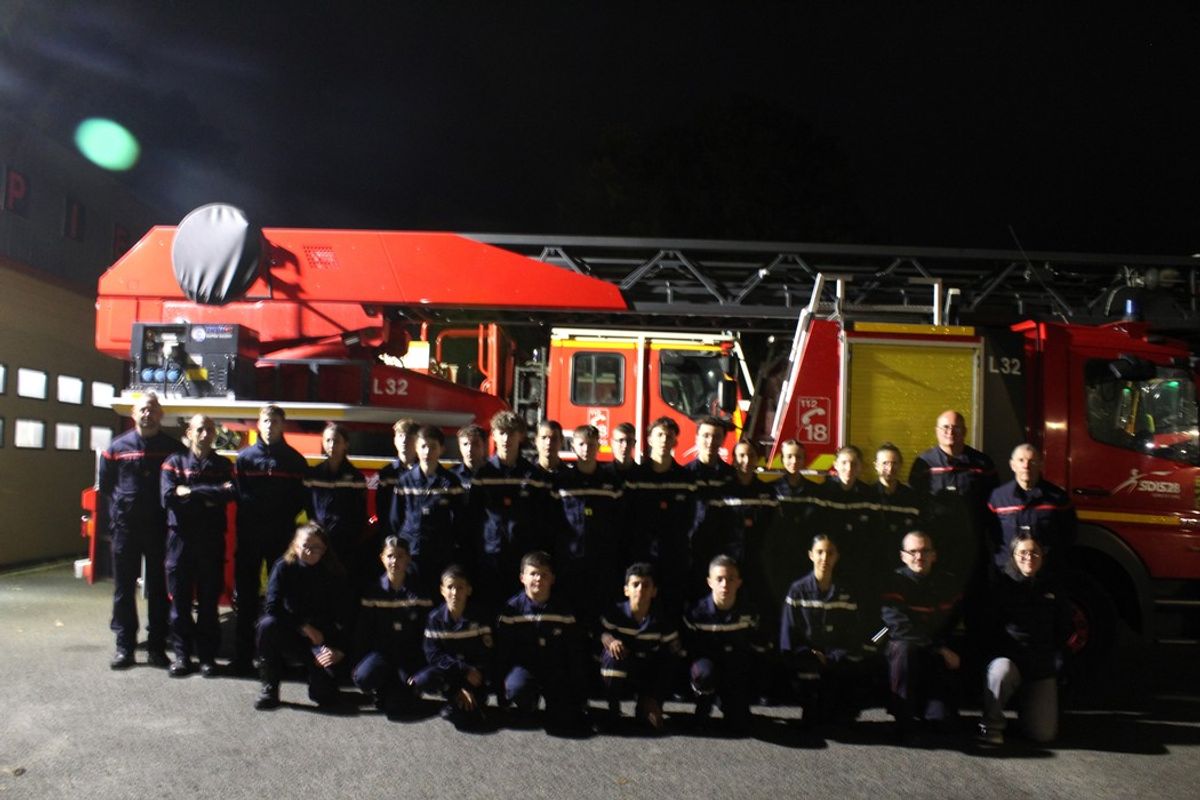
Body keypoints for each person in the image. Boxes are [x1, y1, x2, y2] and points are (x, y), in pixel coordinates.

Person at [99, 392, 185, 670]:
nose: (148, 414)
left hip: (160, 529)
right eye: (143, 410)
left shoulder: (172, 449)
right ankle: (124, 647)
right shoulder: (117, 447)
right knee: (123, 589)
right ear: (133, 414)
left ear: (161, 414)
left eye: (152, 410)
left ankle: (157, 648)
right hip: (126, 529)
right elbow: (107, 486)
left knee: (159, 589)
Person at [233, 404, 309, 673]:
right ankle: (242, 657)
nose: (269, 426)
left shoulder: (295, 461)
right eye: (265, 421)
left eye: (275, 421)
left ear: (282, 425)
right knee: (246, 597)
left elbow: (301, 499)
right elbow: (240, 496)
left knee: (281, 597)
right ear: (258, 424)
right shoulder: (244, 459)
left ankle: (277, 657)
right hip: (250, 536)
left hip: (280, 537)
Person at [160, 414, 237, 677]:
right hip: (180, 541)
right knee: (180, 603)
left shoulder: (223, 465)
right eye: (200, 429)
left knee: (208, 603)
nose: (206, 434)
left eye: (210, 429)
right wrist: (209, 496)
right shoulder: (173, 463)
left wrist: (190, 492)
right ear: (189, 432)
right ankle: (182, 657)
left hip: (210, 541)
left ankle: (207, 658)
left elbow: (229, 493)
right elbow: (168, 498)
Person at [978, 534, 1073, 745]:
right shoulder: (1001, 585)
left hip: (1040, 666)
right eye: (1022, 553)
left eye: (1034, 553)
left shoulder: (1052, 586)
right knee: (1000, 671)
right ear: (1013, 556)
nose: (1029, 557)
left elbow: (1064, 626)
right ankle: (991, 725)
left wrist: (1055, 656)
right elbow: (986, 628)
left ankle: (1027, 710)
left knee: (1043, 735)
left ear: (1042, 556)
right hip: (1009, 661)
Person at [255, 523, 351, 710]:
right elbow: (272, 607)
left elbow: (345, 616)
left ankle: (326, 685)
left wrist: (338, 649)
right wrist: (303, 626)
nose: (310, 551)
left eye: (316, 547)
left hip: (322, 639)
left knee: (324, 696)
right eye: (305, 545)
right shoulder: (283, 566)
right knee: (267, 625)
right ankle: (269, 688)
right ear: (294, 545)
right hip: (293, 632)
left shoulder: (334, 572)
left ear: (324, 550)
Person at [881, 530, 964, 742]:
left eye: (925, 551)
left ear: (934, 555)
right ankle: (903, 716)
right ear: (903, 556)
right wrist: (938, 648)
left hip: (936, 651)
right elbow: (899, 627)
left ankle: (935, 712)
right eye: (913, 551)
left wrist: (945, 648)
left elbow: (954, 622)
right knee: (903, 647)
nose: (919, 556)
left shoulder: (948, 583)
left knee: (944, 724)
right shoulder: (894, 582)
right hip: (906, 650)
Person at [779, 534, 871, 726]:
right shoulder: (797, 590)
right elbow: (789, 633)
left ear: (837, 557)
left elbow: (852, 633)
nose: (825, 558)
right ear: (811, 555)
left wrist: (833, 655)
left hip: (835, 656)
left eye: (830, 553)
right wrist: (810, 653)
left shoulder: (845, 592)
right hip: (807, 656)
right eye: (820, 552)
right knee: (813, 718)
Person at [494, 551, 588, 731]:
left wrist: (579, 691)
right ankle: (528, 703)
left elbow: (574, 652)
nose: (538, 579)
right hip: (524, 667)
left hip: (554, 667)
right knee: (516, 688)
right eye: (533, 574)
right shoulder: (511, 610)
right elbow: (503, 653)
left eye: (544, 574)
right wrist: (501, 693)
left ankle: (558, 704)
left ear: (552, 579)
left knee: (564, 714)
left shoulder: (563, 609)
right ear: (522, 578)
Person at [468, 411, 549, 608]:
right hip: (490, 556)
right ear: (494, 436)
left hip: (523, 557)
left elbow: (542, 517)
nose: (506, 439)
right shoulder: (483, 474)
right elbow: (473, 516)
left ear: (520, 436)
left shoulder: (532, 475)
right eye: (501, 433)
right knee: (490, 607)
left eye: (511, 433)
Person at [908, 410, 997, 590]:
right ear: (937, 431)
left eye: (956, 428)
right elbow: (914, 503)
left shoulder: (982, 463)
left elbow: (994, 504)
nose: (950, 432)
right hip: (936, 547)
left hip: (973, 547)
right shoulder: (923, 463)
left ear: (965, 431)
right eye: (945, 427)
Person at [683, 555, 767, 733]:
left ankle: (729, 703)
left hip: (734, 667)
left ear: (739, 582)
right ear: (709, 582)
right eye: (719, 579)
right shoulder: (696, 613)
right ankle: (703, 705)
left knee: (740, 723)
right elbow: (688, 648)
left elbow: (757, 645)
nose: (725, 585)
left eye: (730, 579)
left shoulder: (748, 612)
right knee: (704, 674)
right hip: (707, 666)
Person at [623, 416, 696, 615]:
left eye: (669, 436)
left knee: (672, 604)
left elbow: (692, 517)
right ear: (649, 439)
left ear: (675, 441)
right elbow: (627, 516)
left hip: (674, 556)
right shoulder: (636, 477)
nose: (664, 440)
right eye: (660, 435)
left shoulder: (685, 479)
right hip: (642, 555)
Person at [351, 537, 433, 715]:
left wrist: (423, 666)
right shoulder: (373, 591)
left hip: (408, 654)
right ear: (382, 558)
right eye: (390, 556)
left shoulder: (419, 592)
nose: (394, 561)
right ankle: (383, 687)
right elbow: (363, 631)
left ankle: (401, 690)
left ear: (408, 558)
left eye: (400, 556)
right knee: (363, 677)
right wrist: (359, 661)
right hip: (382, 652)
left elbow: (426, 632)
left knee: (399, 704)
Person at [554, 424, 624, 628]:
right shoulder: (562, 481)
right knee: (573, 614)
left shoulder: (612, 482)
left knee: (601, 612)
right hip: (570, 562)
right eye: (582, 444)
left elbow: (620, 520)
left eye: (591, 444)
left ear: (599, 446)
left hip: (602, 561)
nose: (586, 449)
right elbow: (553, 520)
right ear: (573, 447)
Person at [598, 563, 681, 731]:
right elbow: (601, 633)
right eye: (635, 584)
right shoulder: (615, 613)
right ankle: (613, 709)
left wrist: (654, 697)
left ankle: (645, 704)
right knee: (612, 657)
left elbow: (671, 657)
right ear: (626, 590)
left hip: (647, 673)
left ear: (654, 591)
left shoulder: (661, 620)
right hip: (622, 668)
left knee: (653, 724)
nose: (640, 589)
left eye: (646, 585)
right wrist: (610, 640)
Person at [411, 565, 494, 729]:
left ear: (469, 590)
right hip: (451, 671)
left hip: (474, 675)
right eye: (450, 587)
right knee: (422, 680)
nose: (455, 593)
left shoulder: (480, 617)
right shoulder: (435, 618)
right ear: (442, 590)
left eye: (460, 587)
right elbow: (433, 655)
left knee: (463, 716)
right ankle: (453, 694)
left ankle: (469, 700)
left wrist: (468, 683)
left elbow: (487, 653)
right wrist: (462, 671)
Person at [391, 425, 466, 596]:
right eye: (423, 446)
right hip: (411, 552)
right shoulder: (405, 481)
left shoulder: (451, 482)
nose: (427, 451)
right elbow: (395, 518)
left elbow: (459, 520)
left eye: (433, 447)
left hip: (440, 553)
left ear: (442, 449)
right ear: (416, 448)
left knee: (435, 596)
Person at [987, 443, 1076, 571]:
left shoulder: (1058, 498)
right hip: (1008, 572)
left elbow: (1069, 534)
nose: (1026, 466)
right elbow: (991, 533)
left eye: (1032, 461)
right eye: (1021, 460)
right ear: (1012, 465)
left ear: (1041, 465)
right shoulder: (999, 497)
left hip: (1046, 571)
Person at [306, 423, 368, 578]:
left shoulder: (356, 477)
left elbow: (359, 512)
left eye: (336, 441)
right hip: (318, 539)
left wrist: (352, 535)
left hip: (345, 541)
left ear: (346, 444)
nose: (332, 445)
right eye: (328, 440)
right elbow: (307, 505)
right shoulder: (313, 475)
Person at [812, 446, 877, 591]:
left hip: (858, 561)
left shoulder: (868, 495)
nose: (849, 468)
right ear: (835, 465)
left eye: (854, 464)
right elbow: (815, 527)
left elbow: (874, 530)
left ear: (860, 467)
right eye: (844, 463)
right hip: (829, 561)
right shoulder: (823, 492)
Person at [763, 439, 817, 611]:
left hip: (805, 558)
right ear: (782, 459)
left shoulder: (815, 491)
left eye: (798, 457)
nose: (794, 461)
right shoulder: (771, 490)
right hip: (778, 558)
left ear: (804, 460)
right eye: (789, 456)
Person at [868, 443, 924, 584]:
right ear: (876, 465)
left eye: (894, 463)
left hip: (903, 569)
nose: (890, 468)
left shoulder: (911, 498)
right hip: (872, 565)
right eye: (885, 463)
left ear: (900, 465)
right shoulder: (867, 496)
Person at [373, 417, 418, 539]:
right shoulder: (387, 473)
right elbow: (381, 507)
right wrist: (386, 533)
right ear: (394, 440)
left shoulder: (424, 472)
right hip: (391, 534)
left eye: (409, 436)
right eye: (400, 436)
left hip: (416, 535)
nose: (404, 440)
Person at [453, 423, 489, 489]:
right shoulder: (452, 475)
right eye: (465, 444)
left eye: (475, 444)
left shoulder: (496, 474)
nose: (470, 449)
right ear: (459, 447)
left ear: (484, 446)